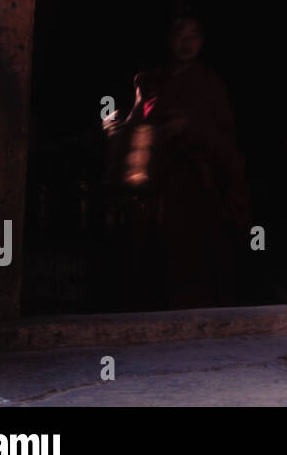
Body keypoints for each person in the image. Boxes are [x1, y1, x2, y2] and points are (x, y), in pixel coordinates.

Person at [105, 16, 250, 310]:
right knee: (149, 261)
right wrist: (115, 126)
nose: (186, 42)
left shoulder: (211, 85)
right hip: (152, 187)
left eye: (193, 35)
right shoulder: (148, 80)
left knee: (189, 265)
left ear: (203, 40)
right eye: (179, 34)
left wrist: (189, 128)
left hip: (193, 189)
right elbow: (136, 123)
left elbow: (225, 141)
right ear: (168, 38)